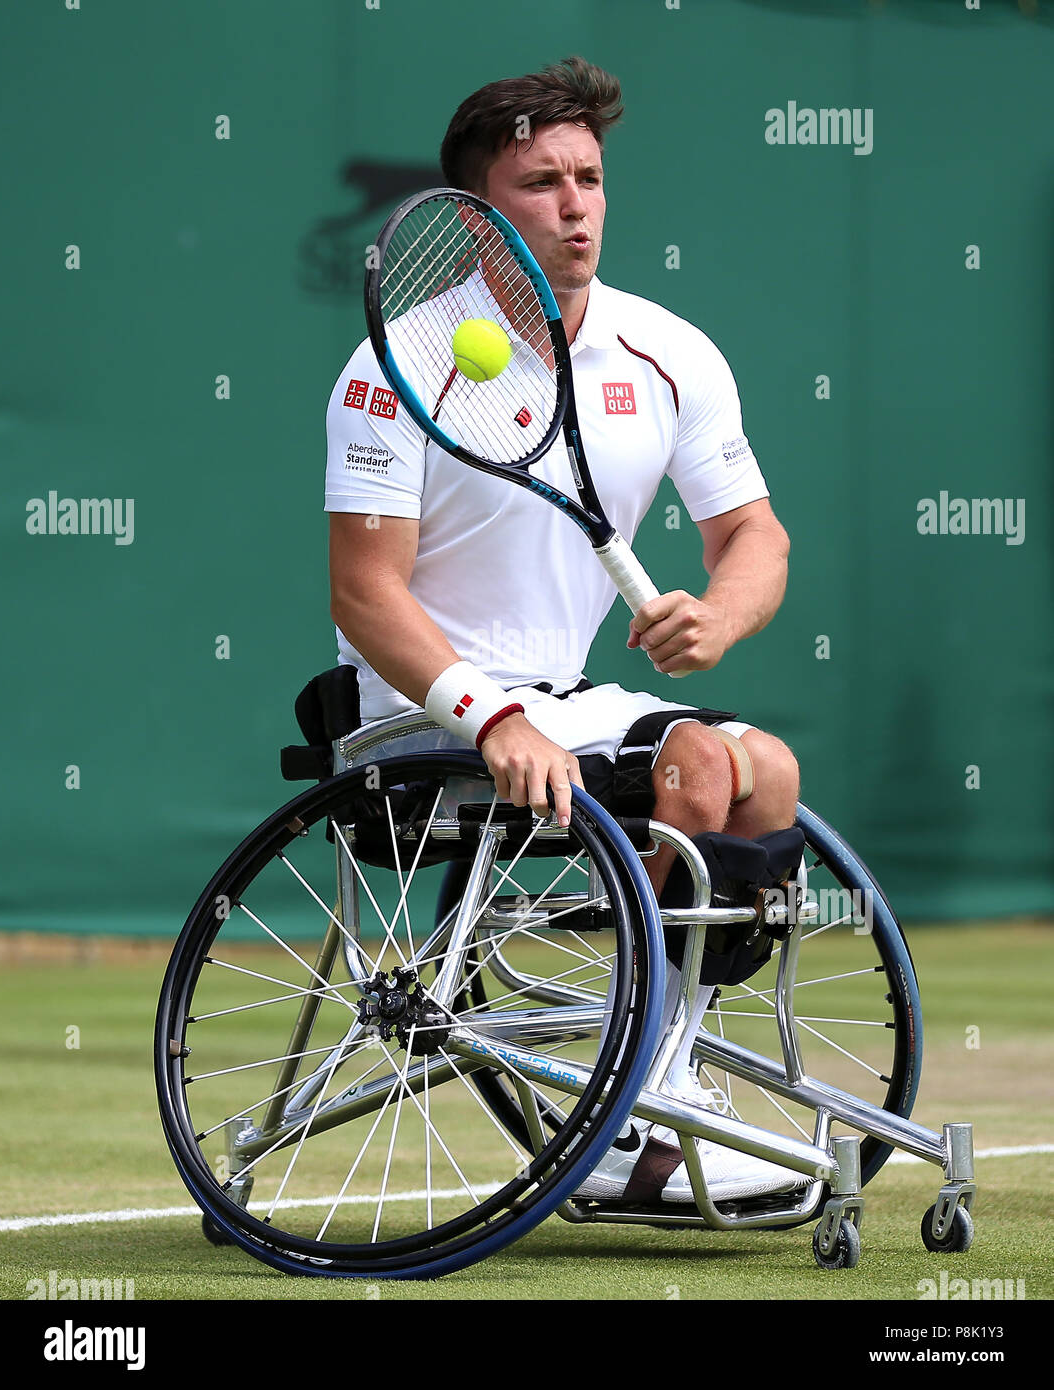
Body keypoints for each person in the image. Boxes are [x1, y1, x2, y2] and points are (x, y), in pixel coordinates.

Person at [326, 57, 806, 1204]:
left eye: (589, 176)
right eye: (542, 182)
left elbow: (758, 537)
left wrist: (717, 617)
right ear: (481, 211)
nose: (576, 203)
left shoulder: (668, 352)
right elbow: (363, 591)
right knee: (696, 764)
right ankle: (635, 1110)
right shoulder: (393, 370)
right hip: (416, 712)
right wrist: (487, 716)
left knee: (766, 771)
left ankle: (650, 1077)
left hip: (566, 694)